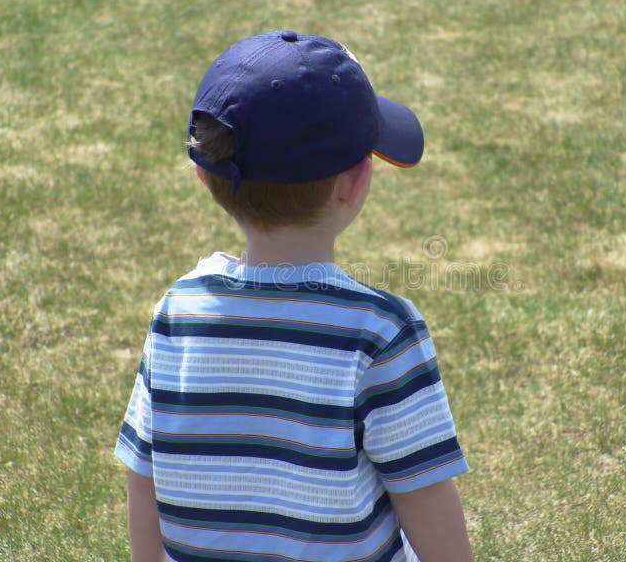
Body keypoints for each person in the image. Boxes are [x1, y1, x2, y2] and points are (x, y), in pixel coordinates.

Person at [114, 30, 473, 562]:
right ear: (353, 185)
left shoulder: (177, 312)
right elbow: (424, 500)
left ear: (202, 174)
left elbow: (144, 475)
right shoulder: (379, 332)